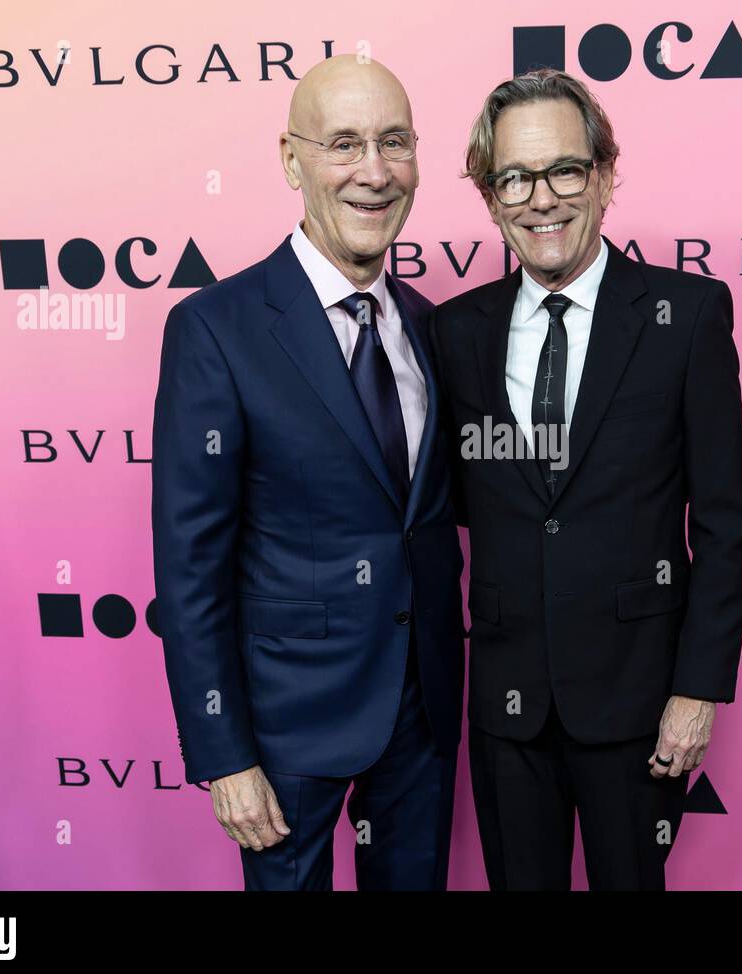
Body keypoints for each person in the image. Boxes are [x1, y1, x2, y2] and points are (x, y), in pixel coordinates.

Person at [431, 68, 742, 890]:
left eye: (565, 171)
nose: (543, 199)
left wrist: (697, 693)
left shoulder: (686, 317)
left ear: (605, 176)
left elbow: (723, 524)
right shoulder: (455, 331)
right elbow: (458, 503)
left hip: (639, 703)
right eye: (514, 178)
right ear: (490, 197)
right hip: (507, 707)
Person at [151, 54, 464, 890]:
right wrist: (224, 755)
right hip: (283, 730)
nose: (374, 171)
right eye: (344, 144)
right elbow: (190, 569)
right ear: (292, 161)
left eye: (394, 143)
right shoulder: (216, 329)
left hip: (422, 715)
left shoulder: (437, 331)